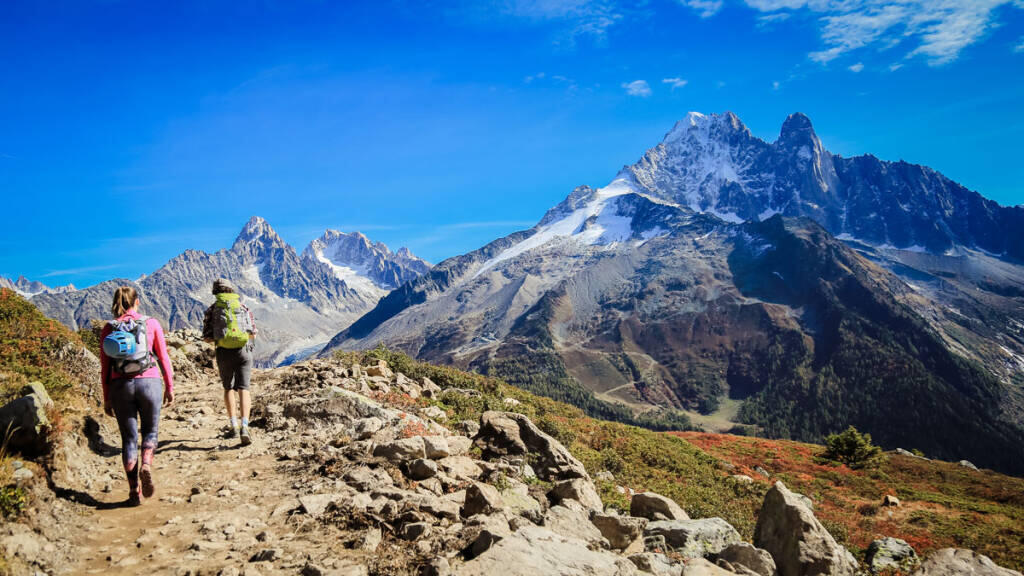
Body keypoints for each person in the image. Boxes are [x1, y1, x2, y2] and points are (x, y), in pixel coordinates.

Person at [99, 286, 174, 506]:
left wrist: (107, 397)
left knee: (129, 440)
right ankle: (147, 465)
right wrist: (169, 386)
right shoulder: (151, 323)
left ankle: (134, 491)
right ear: (137, 302)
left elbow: (105, 368)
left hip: (120, 386)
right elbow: (163, 358)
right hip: (149, 382)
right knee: (150, 431)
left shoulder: (108, 328)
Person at [202, 278, 256, 445]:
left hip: (223, 352)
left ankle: (233, 426)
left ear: (215, 292)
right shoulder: (242, 307)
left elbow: (207, 337)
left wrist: (221, 337)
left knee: (228, 388)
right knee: (244, 388)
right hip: (244, 351)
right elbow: (253, 332)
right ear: (231, 290)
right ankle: (245, 426)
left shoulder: (212, 309)